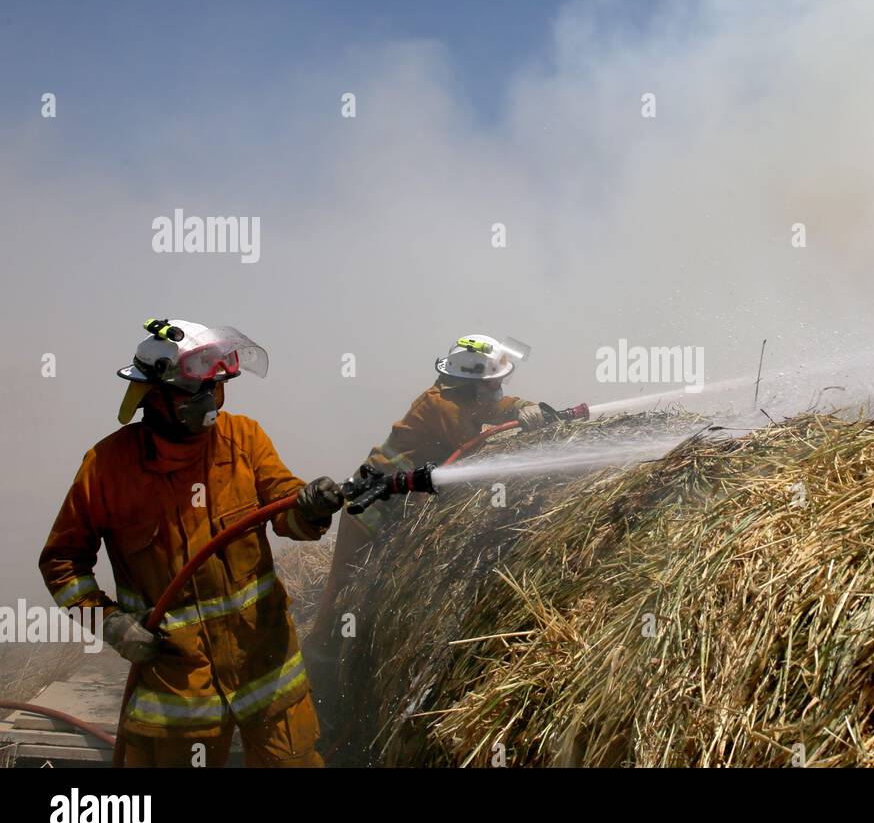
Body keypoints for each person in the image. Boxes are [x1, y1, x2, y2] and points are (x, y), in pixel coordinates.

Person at [39, 319, 345, 767]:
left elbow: (285, 512)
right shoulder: (107, 468)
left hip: (266, 672)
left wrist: (311, 507)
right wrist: (111, 624)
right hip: (177, 693)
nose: (210, 406)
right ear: (153, 396)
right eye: (196, 393)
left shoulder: (244, 439)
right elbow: (62, 562)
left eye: (216, 391)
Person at [305, 334, 547, 654]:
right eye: (492, 383)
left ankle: (355, 648)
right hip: (371, 508)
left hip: (403, 504)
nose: (497, 388)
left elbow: (495, 407)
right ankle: (319, 652)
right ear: (470, 382)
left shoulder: (464, 397)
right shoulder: (443, 406)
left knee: (375, 591)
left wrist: (522, 407)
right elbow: (477, 453)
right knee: (342, 592)